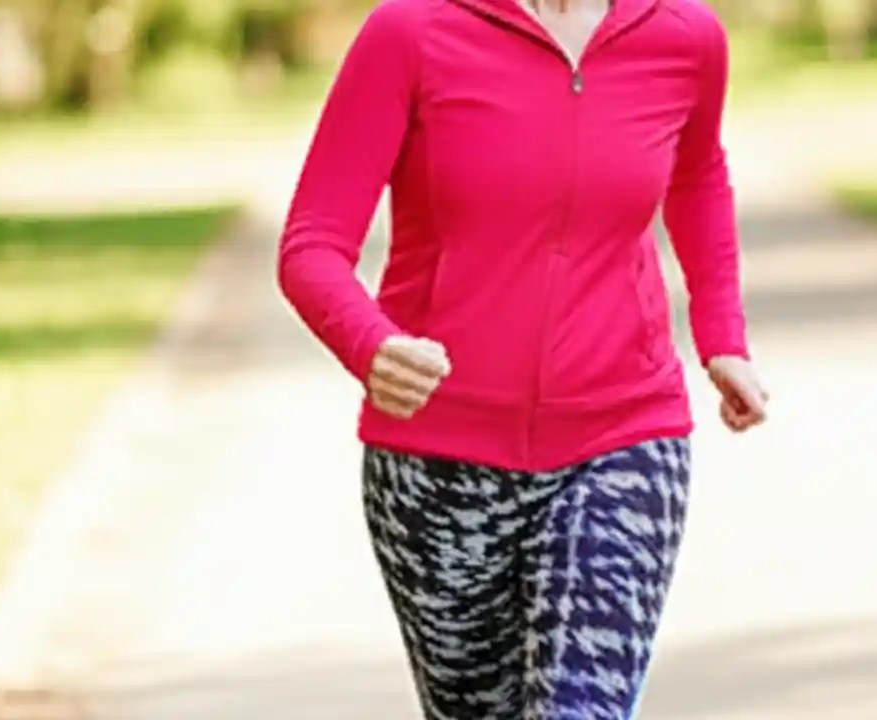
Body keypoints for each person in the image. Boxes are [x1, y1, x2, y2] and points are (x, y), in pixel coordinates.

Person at [276, 0, 769, 714]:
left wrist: (723, 336)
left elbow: (697, 177)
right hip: (438, 461)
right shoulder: (410, 32)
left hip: (623, 436)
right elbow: (312, 245)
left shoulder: (684, 37)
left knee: (581, 709)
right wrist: (370, 344)